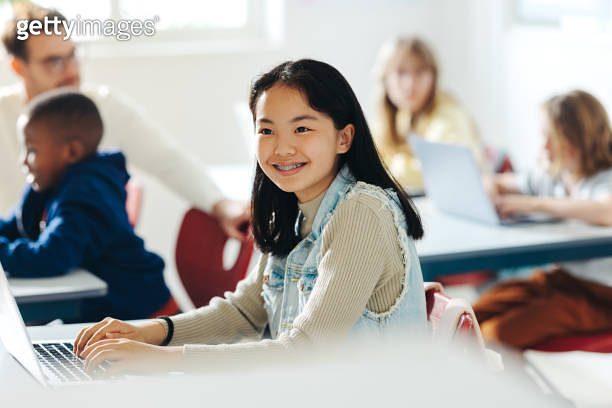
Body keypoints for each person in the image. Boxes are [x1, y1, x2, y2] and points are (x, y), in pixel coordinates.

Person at [72, 59, 427, 373]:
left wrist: (160, 359)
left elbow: (307, 351)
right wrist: (146, 332)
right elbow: (246, 311)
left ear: (344, 138)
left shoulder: (362, 212)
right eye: (267, 130)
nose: (282, 147)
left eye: (302, 129)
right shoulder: (290, 208)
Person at [0, 2, 248, 240]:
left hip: (85, 267)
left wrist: (219, 204)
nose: (71, 71)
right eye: (54, 62)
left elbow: (166, 159)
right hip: (14, 262)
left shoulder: (103, 107)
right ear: (18, 67)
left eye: (73, 55)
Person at [0, 89, 176, 321]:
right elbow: (14, 224)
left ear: (71, 152)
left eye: (32, 150)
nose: (23, 161)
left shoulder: (87, 194)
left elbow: (52, 257)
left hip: (146, 321)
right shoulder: (49, 184)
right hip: (105, 320)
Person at [474, 90, 612, 348]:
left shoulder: (604, 179)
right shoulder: (555, 176)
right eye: (543, 137)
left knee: (495, 334)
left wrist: (534, 203)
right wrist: (490, 185)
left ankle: (504, 385)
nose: (544, 147)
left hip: (601, 297)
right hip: (562, 281)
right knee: (469, 317)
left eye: (552, 138)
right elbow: (495, 182)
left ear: (579, 139)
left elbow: (606, 212)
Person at [371, 36, 484, 191]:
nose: (410, 83)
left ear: (434, 77)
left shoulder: (449, 115)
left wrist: (394, 165)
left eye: (420, 72)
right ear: (384, 79)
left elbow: (443, 171)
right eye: (400, 72)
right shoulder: (401, 116)